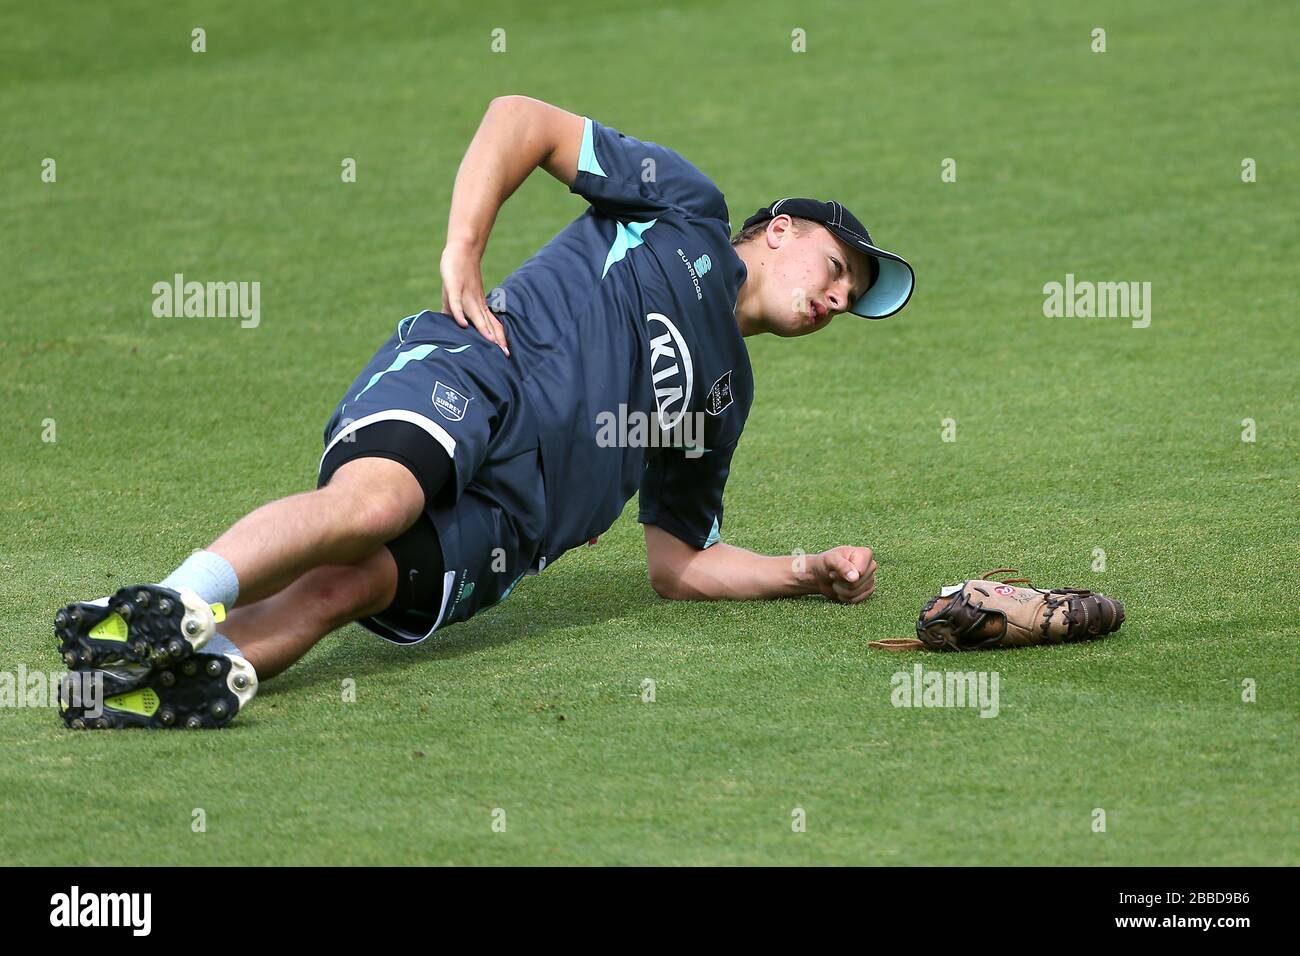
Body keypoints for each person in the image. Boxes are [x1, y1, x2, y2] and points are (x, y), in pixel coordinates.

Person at [54, 94, 915, 730]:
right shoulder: (687, 210)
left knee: (344, 589)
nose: (840, 296)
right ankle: (173, 602)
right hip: (482, 375)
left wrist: (801, 572)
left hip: (518, 521)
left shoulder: (727, 397)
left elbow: (677, 561)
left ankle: (150, 683)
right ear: (783, 229)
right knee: (374, 508)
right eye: (838, 266)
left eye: (854, 296)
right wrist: (464, 249)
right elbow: (521, 121)